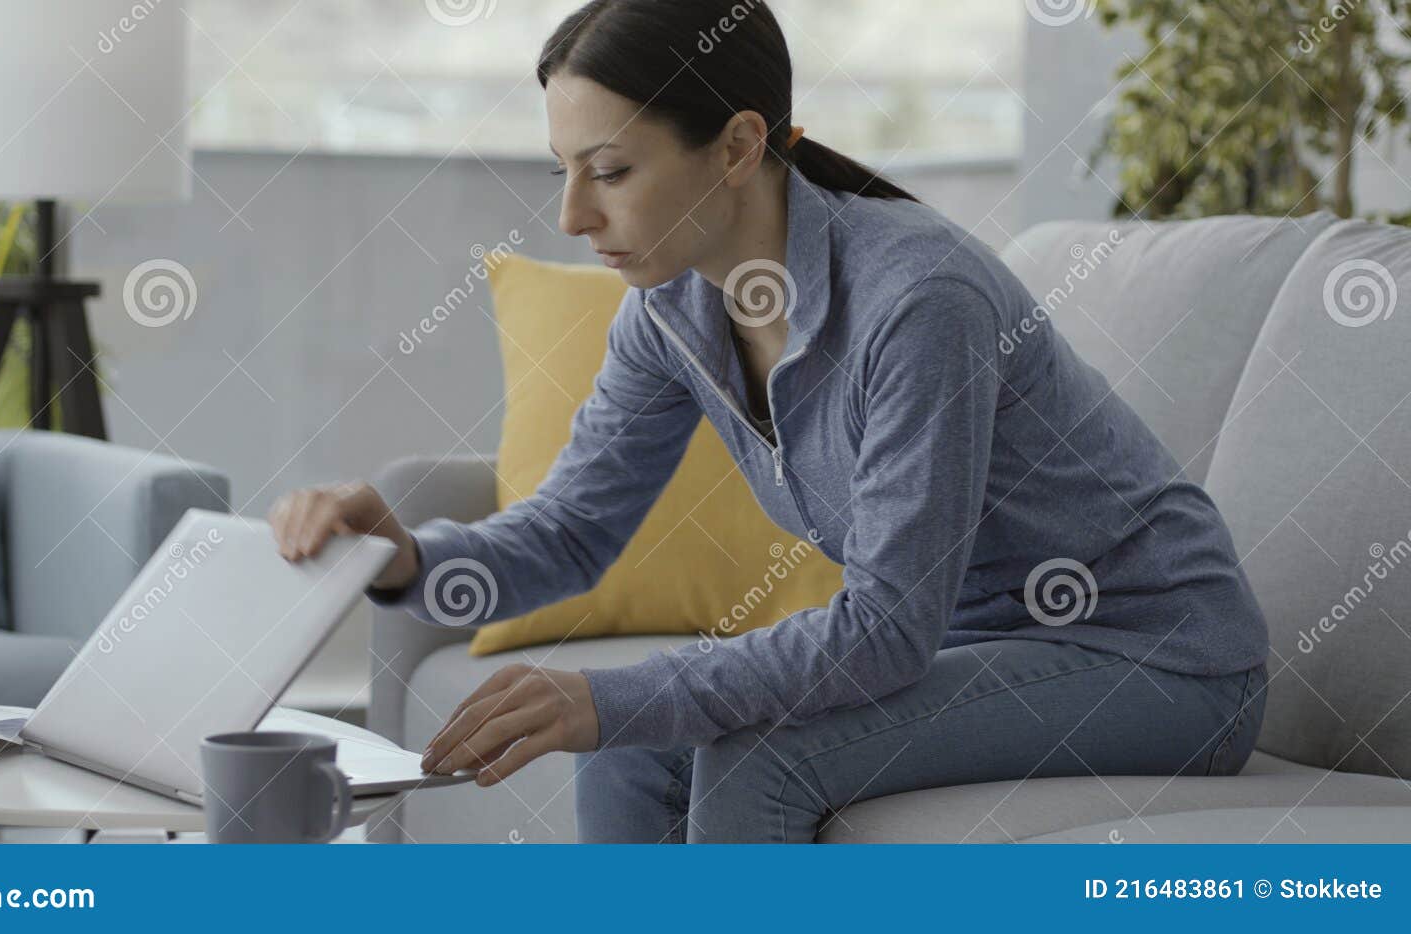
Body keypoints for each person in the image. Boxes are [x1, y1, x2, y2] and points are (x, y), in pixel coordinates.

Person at [269, 0, 1269, 843]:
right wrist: (401, 561)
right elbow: (570, 533)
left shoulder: (918, 300)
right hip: (980, 649)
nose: (571, 216)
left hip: (1150, 657)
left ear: (739, 146)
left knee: (757, 750)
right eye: (560, 172)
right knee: (628, 748)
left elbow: (884, 629)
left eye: (609, 171)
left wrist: (607, 695)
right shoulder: (670, 312)